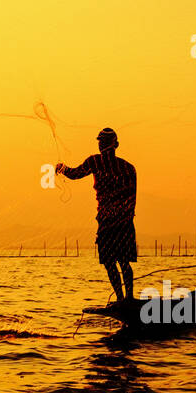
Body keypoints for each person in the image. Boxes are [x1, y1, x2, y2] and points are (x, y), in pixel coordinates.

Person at [56, 128, 137, 302]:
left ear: (107, 145)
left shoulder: (97, 162)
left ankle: (123, 299)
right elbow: (132, 199)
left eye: (102, 142)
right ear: (116, 145)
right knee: (122, 262)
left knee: (112, 262)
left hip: (109, 223)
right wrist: (126, 217)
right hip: (122, 222)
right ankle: (126, 299)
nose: (101, 145)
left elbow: (75, 174)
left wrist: (62, 168)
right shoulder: (128, 168)